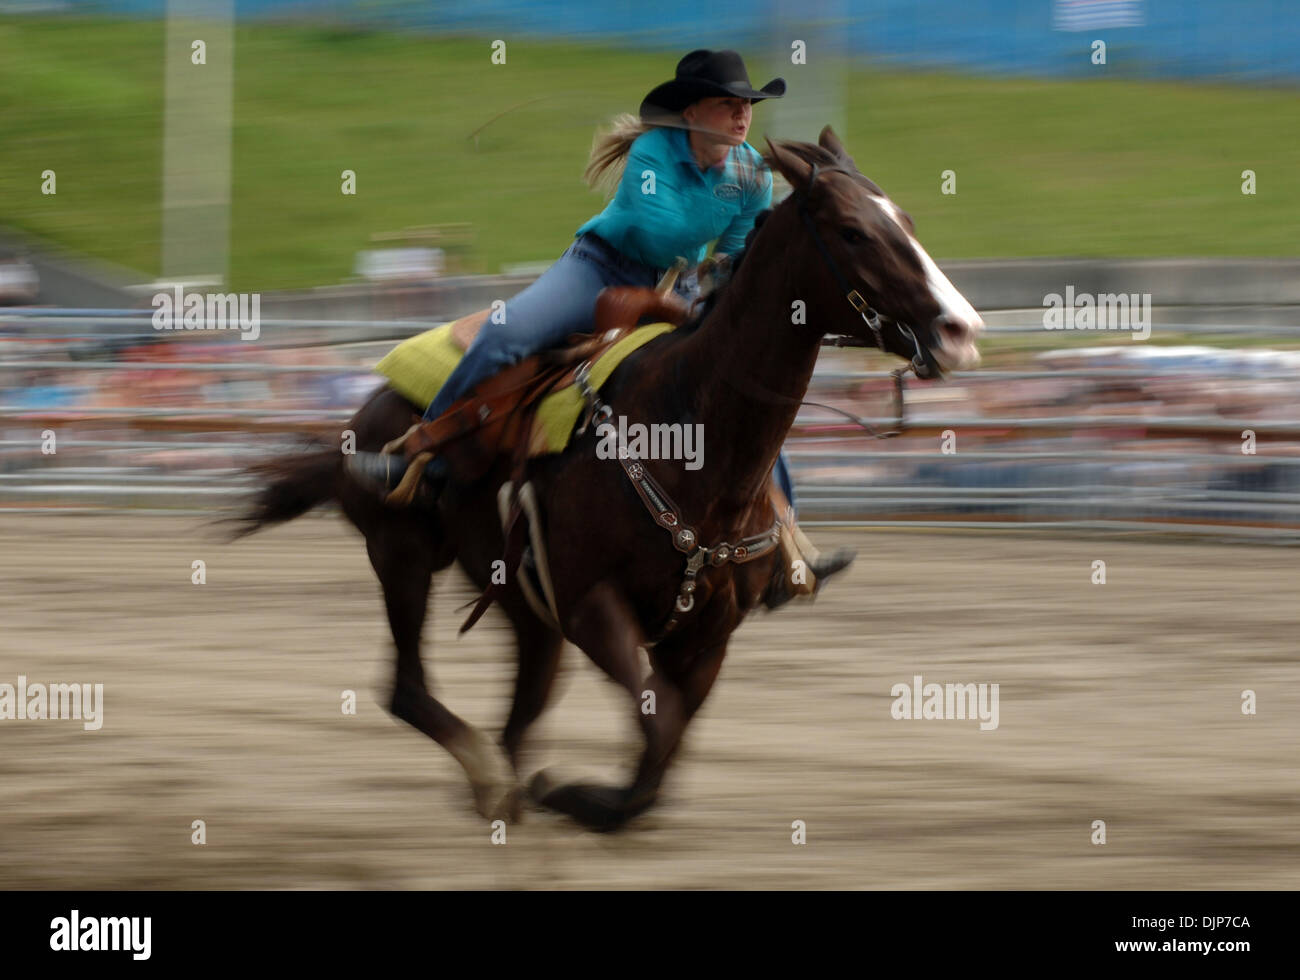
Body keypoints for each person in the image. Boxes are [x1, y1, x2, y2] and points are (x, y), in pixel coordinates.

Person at [349, 48, 852, 607]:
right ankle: (420, 452)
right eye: (727, 104)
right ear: (690, 114)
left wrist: (717, 288)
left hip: (674, 285)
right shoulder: (652, 152)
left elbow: (731, 254)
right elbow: (657, 233)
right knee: (506, 333)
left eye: (747, 105)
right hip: (598, 271)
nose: (742, 116)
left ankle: (786, 547)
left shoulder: (751, 173)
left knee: (736, 392)